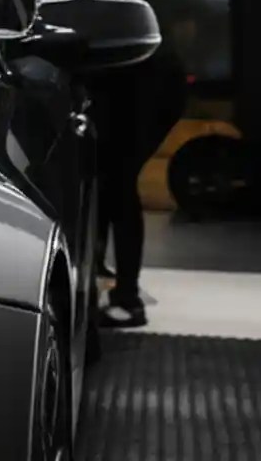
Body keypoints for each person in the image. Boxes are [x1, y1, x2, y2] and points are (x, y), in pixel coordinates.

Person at [92, 36, 188, 328]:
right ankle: (107, 279)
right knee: (110, 183)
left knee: (117, 182)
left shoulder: (140, 69)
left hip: (139, 85)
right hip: (132, 83)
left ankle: (127, 299)